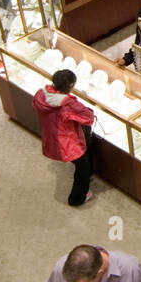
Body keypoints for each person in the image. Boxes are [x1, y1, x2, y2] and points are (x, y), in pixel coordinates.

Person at [32, 68, 95, 207]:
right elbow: (88, 117)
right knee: (83, 165)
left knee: (81, 162)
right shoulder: (66, 103)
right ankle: (77, 198)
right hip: (66, 140)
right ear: (71, 86)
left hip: (50, 135)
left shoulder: (41, 94)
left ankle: (86, 178)